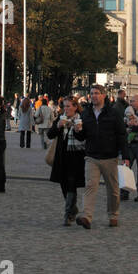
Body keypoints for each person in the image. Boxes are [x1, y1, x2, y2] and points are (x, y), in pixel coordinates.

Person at [75, 85, 129, 229]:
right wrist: (77, 131)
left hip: (110, 157)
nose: (94, 96)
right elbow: (81, 136)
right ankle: (86, 216)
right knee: (90, 186)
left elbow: (121, 135)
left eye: (97, 93)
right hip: (92, 156)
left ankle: (113, 215)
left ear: (104, 95)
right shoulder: (86, 114)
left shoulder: (113, 113)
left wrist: (125, 155)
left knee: (113, 190)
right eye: (92, 94)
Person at [48, 96, 86, 225]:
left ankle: (68, 214)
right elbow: (50, 134)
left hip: (76, 157)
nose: (66, 109)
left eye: (69, 106)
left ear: (75, 107)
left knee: (71, 185)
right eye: (64, 106)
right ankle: (73, 208)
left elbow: (83, 137)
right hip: (61, 157)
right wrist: (58, 126)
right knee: (64, 184)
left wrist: (78, 129)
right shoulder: (60, 118)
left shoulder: (81, 119)